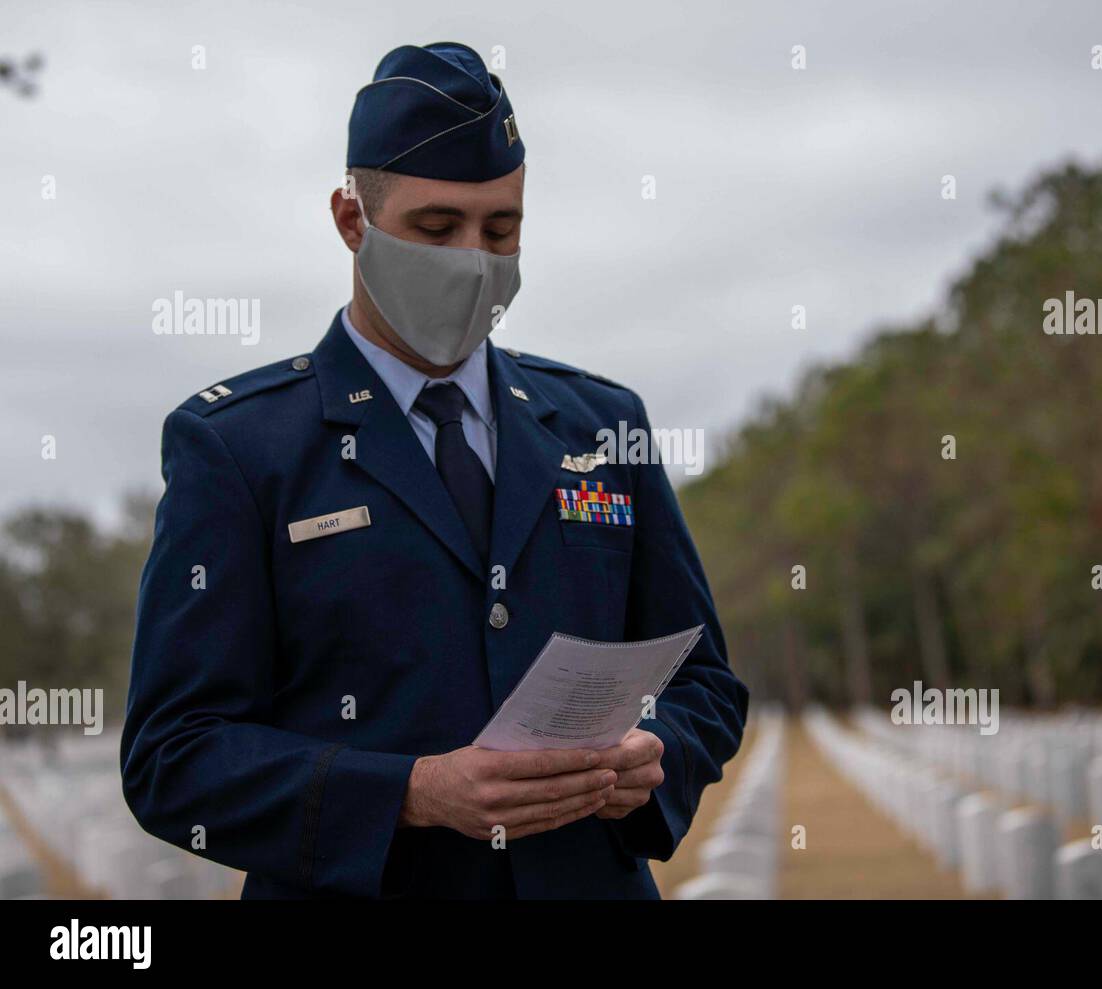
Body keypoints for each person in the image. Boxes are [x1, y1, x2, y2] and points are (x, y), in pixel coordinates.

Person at [120, 40, 747, 899]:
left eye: (502, 228)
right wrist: (409, 794)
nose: (474, 258)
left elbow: (706, 682)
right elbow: (173, 755)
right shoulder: (239, 447)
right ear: (352, 220)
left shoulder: (604, 426)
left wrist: (655, 754)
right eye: (437, 226)